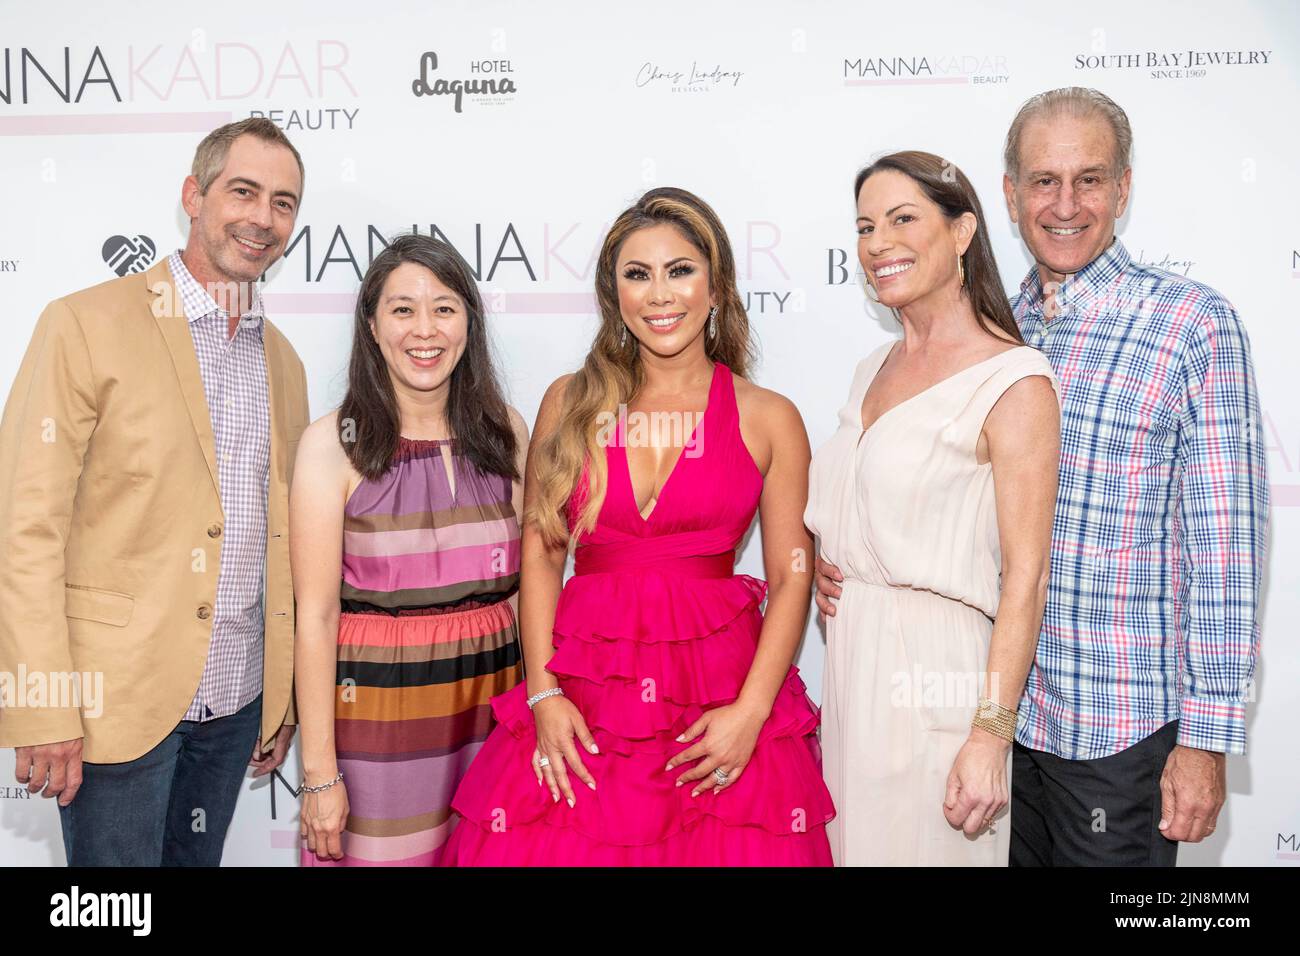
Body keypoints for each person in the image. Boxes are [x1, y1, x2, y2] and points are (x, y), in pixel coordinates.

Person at [818, 88, 1269, 866]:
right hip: (982, 716)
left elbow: (1224, 553)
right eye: (1042, 181)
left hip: (1114, 729)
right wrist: (853, 567)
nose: (1065, 204)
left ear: (1123, 189)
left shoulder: (1191, 323)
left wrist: (1206, 741)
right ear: (1008, 195)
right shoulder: (993, 330)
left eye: (1089, 180)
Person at [442, 187, 834, 865]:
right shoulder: (570, 400)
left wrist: (751, 713)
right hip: (587, 694)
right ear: (613, 293)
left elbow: (790, 578)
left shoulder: (768, 416)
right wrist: (542, 692)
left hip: (718, 694)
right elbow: (539, 551)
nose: (660, 294)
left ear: (716, 287)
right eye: (637, 274)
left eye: (680, 270)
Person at [0, 117, 309, 865]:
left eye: (283, 202)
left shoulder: (285, 363)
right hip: (115, 703)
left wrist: (282, 695)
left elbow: (279, 543)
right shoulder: (84, 324)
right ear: (192, 196)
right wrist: (41, 701)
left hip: (234, 705)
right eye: (243, 191)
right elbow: (24, 525)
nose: (262, 218)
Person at [804, 152, 1060, 865]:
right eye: (864, 227)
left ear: (962, 232)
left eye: (903, 219)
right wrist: (839, 559)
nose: (879, 242)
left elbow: (1027, 578)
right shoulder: (869, 370)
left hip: (938, 682)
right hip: (854, 672)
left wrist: (989, 734)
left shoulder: (1015, 381)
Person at [292, 234, 528, 866]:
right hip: (377, 731)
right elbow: (314, 619)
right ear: (372, 325)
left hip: (496, 717)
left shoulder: (508, 431)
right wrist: (319, 775)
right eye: (402, 309)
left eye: (444, 308)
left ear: (469, 323)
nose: (425, 330)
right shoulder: (330, 444)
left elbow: (538, 588)